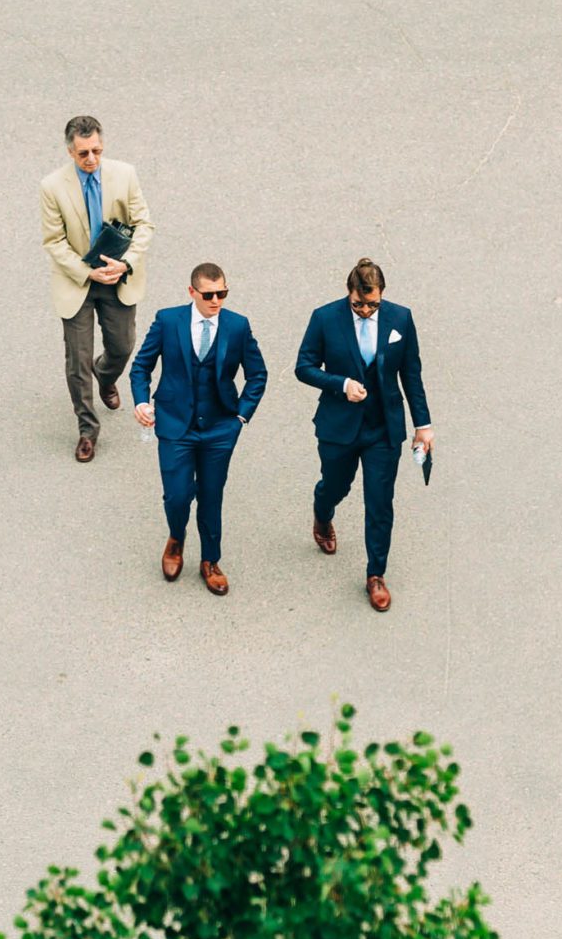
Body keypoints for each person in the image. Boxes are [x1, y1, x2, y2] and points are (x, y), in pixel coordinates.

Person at [294, 259, 431, 612]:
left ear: (382, 296)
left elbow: (411, 374)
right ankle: (322, 513)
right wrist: (340, 384)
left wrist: (423, 426)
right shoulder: (325, 318)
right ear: (349, 293)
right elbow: (304, 366)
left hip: (383, 428)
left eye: (373, 304)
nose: (367, 311)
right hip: (339, 426)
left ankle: (376, 575)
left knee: (380, 501)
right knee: (335, 485)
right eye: (359, 304)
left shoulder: (400, 319)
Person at [129, 263, 267, 596]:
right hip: (176, 424)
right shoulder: (168, 320)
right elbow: (141, 367)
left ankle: (210, 560)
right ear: (192, 292)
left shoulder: (237, 326)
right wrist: (141, 402)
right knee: (176, 496)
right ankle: (176, 537)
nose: (216, 300)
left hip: (220, 427)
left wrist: (241, 418)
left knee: (211, 495)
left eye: (222, 293)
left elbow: (257, 375)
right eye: (209, 295)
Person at [41, 115, 155, 462]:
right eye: (83, 153)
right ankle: (87, 430)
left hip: (118, 275)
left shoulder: (125, 174)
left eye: (96, 151)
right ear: (69, 151)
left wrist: (126, 263)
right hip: (78, 281)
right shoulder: (52, 186)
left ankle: (105, 375)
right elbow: (54, 241)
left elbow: (144, 224)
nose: (91, 159)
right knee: (78, 360)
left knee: (122, 346)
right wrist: (86, 273)